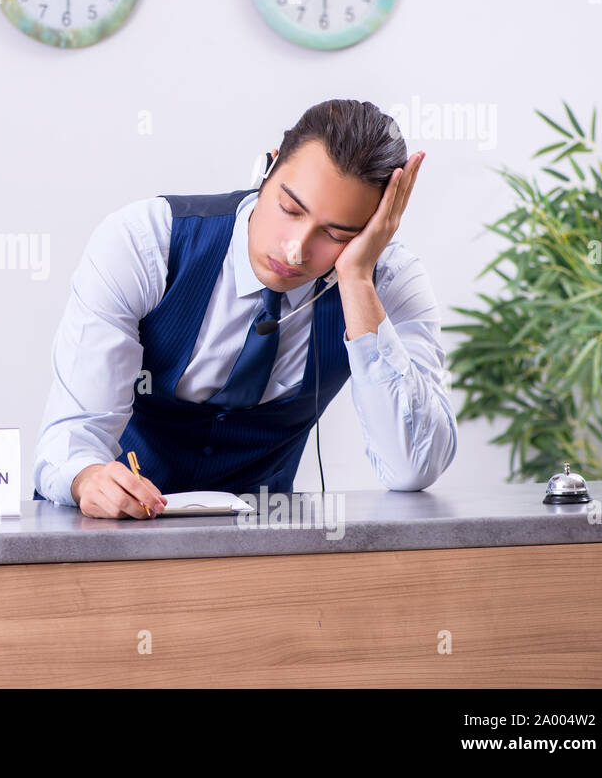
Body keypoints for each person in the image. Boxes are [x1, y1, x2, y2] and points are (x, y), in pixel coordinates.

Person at [32, 98, 455, 518]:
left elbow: (413, 468)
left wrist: (358, 280)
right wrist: (87, 477)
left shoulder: (387, 281)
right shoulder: (145, 243)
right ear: (265, 170)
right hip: (110, 539)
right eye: (290, 209)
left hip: (261, 555)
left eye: (336, 234)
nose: (296, 250)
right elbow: (73, 436)